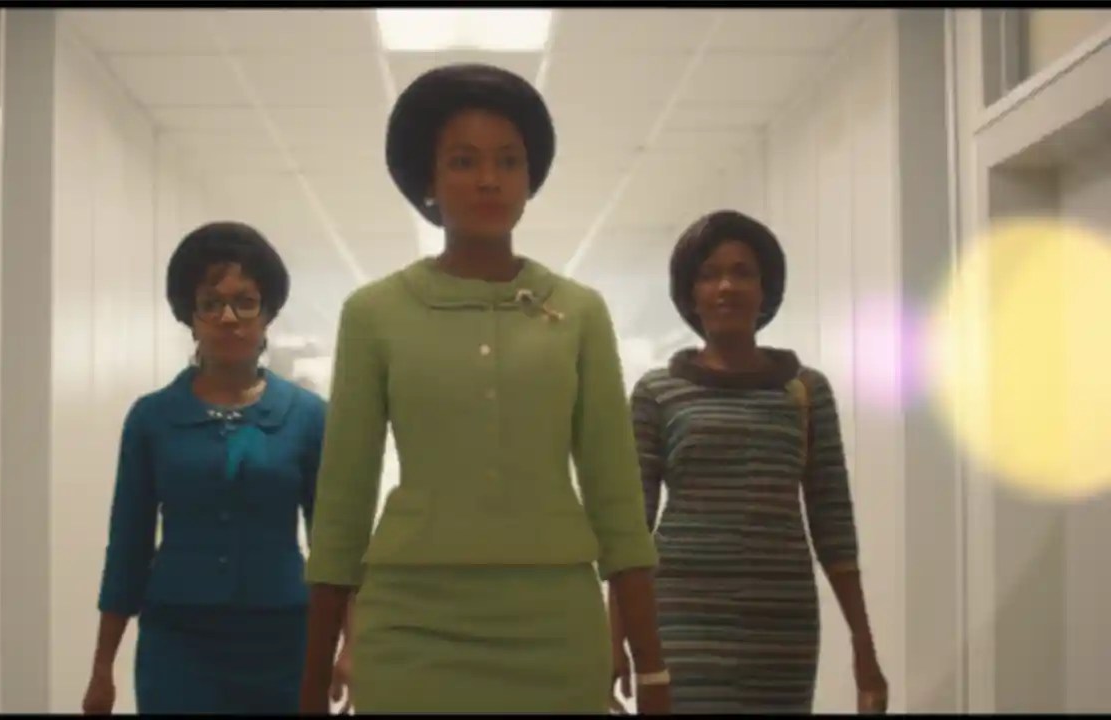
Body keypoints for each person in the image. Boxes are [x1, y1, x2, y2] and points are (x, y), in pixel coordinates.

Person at [297, 63, 672, 715]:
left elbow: (617, 502)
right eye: (464, 161)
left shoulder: (578, 312)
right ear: (430, 182)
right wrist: (310, 684)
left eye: (508, 160)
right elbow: (341, 508)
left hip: (555, 622)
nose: (490, 179)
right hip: (411, 623)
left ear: (530, 178)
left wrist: (655, 671)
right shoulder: (375, 313)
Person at [622, 209, 889, 714]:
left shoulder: (805, 390)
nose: (727, 286)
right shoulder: (657, 391)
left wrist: (863, 644)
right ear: (691, 294)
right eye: (710, 274)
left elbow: (833, 523)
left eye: (743, 272)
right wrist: (616, 639)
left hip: (781, 617)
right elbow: (630, 528)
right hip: (681, 616)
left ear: (766, 288)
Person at [82, 222, 327, 715]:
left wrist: (346, 648)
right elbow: (127, 545)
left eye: (246, 301)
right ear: (189, 317)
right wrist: (102, 668)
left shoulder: (308, 416)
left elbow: (332, 544)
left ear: (268, 312)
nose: (229, 317)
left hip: (282, 641)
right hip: (178, 644)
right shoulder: (152, 418)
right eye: (211, 303)